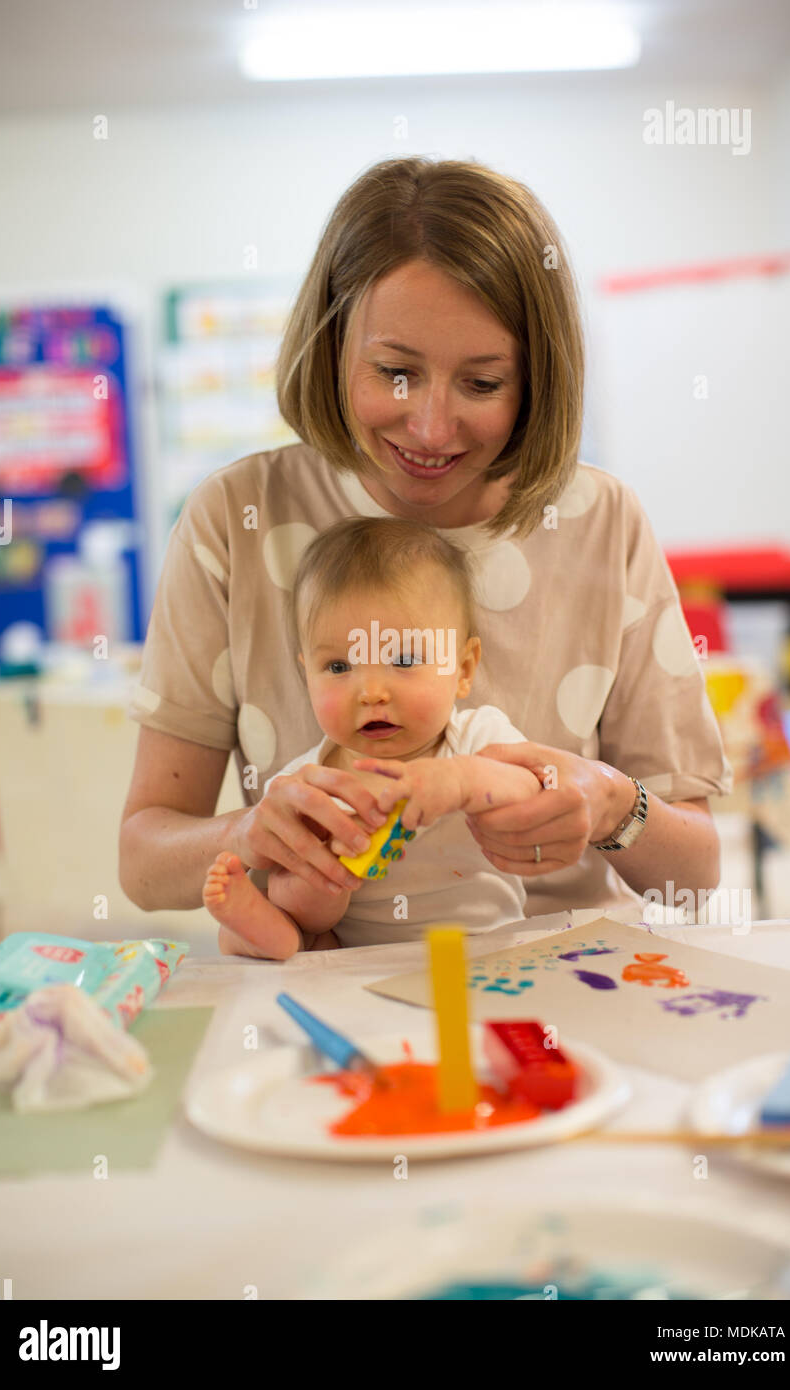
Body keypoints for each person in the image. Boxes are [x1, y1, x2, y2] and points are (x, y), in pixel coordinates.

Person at [119, 156, 732, 954]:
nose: (432, 429)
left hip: (559, 989)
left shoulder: (603, 522)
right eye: (396, 373)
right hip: (321, 987)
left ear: (537, 380)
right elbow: (142, 861)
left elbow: (697, 874)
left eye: (482, 384)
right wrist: (253, 833)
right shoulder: (235, 519)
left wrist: (613, 806)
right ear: (333, 345)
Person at [202, 515, 545, 956]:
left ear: (462, 670)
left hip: (486, 955)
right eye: (339, 667)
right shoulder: (307, 783)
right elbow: (287, 865)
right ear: (307, 675)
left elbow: (531, 787)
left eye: (403, 660)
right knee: (294, 901)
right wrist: (318, 861)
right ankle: (252, 926)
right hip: (351, 965)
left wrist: (463, 781)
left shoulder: (476, 737)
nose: (371, 693)